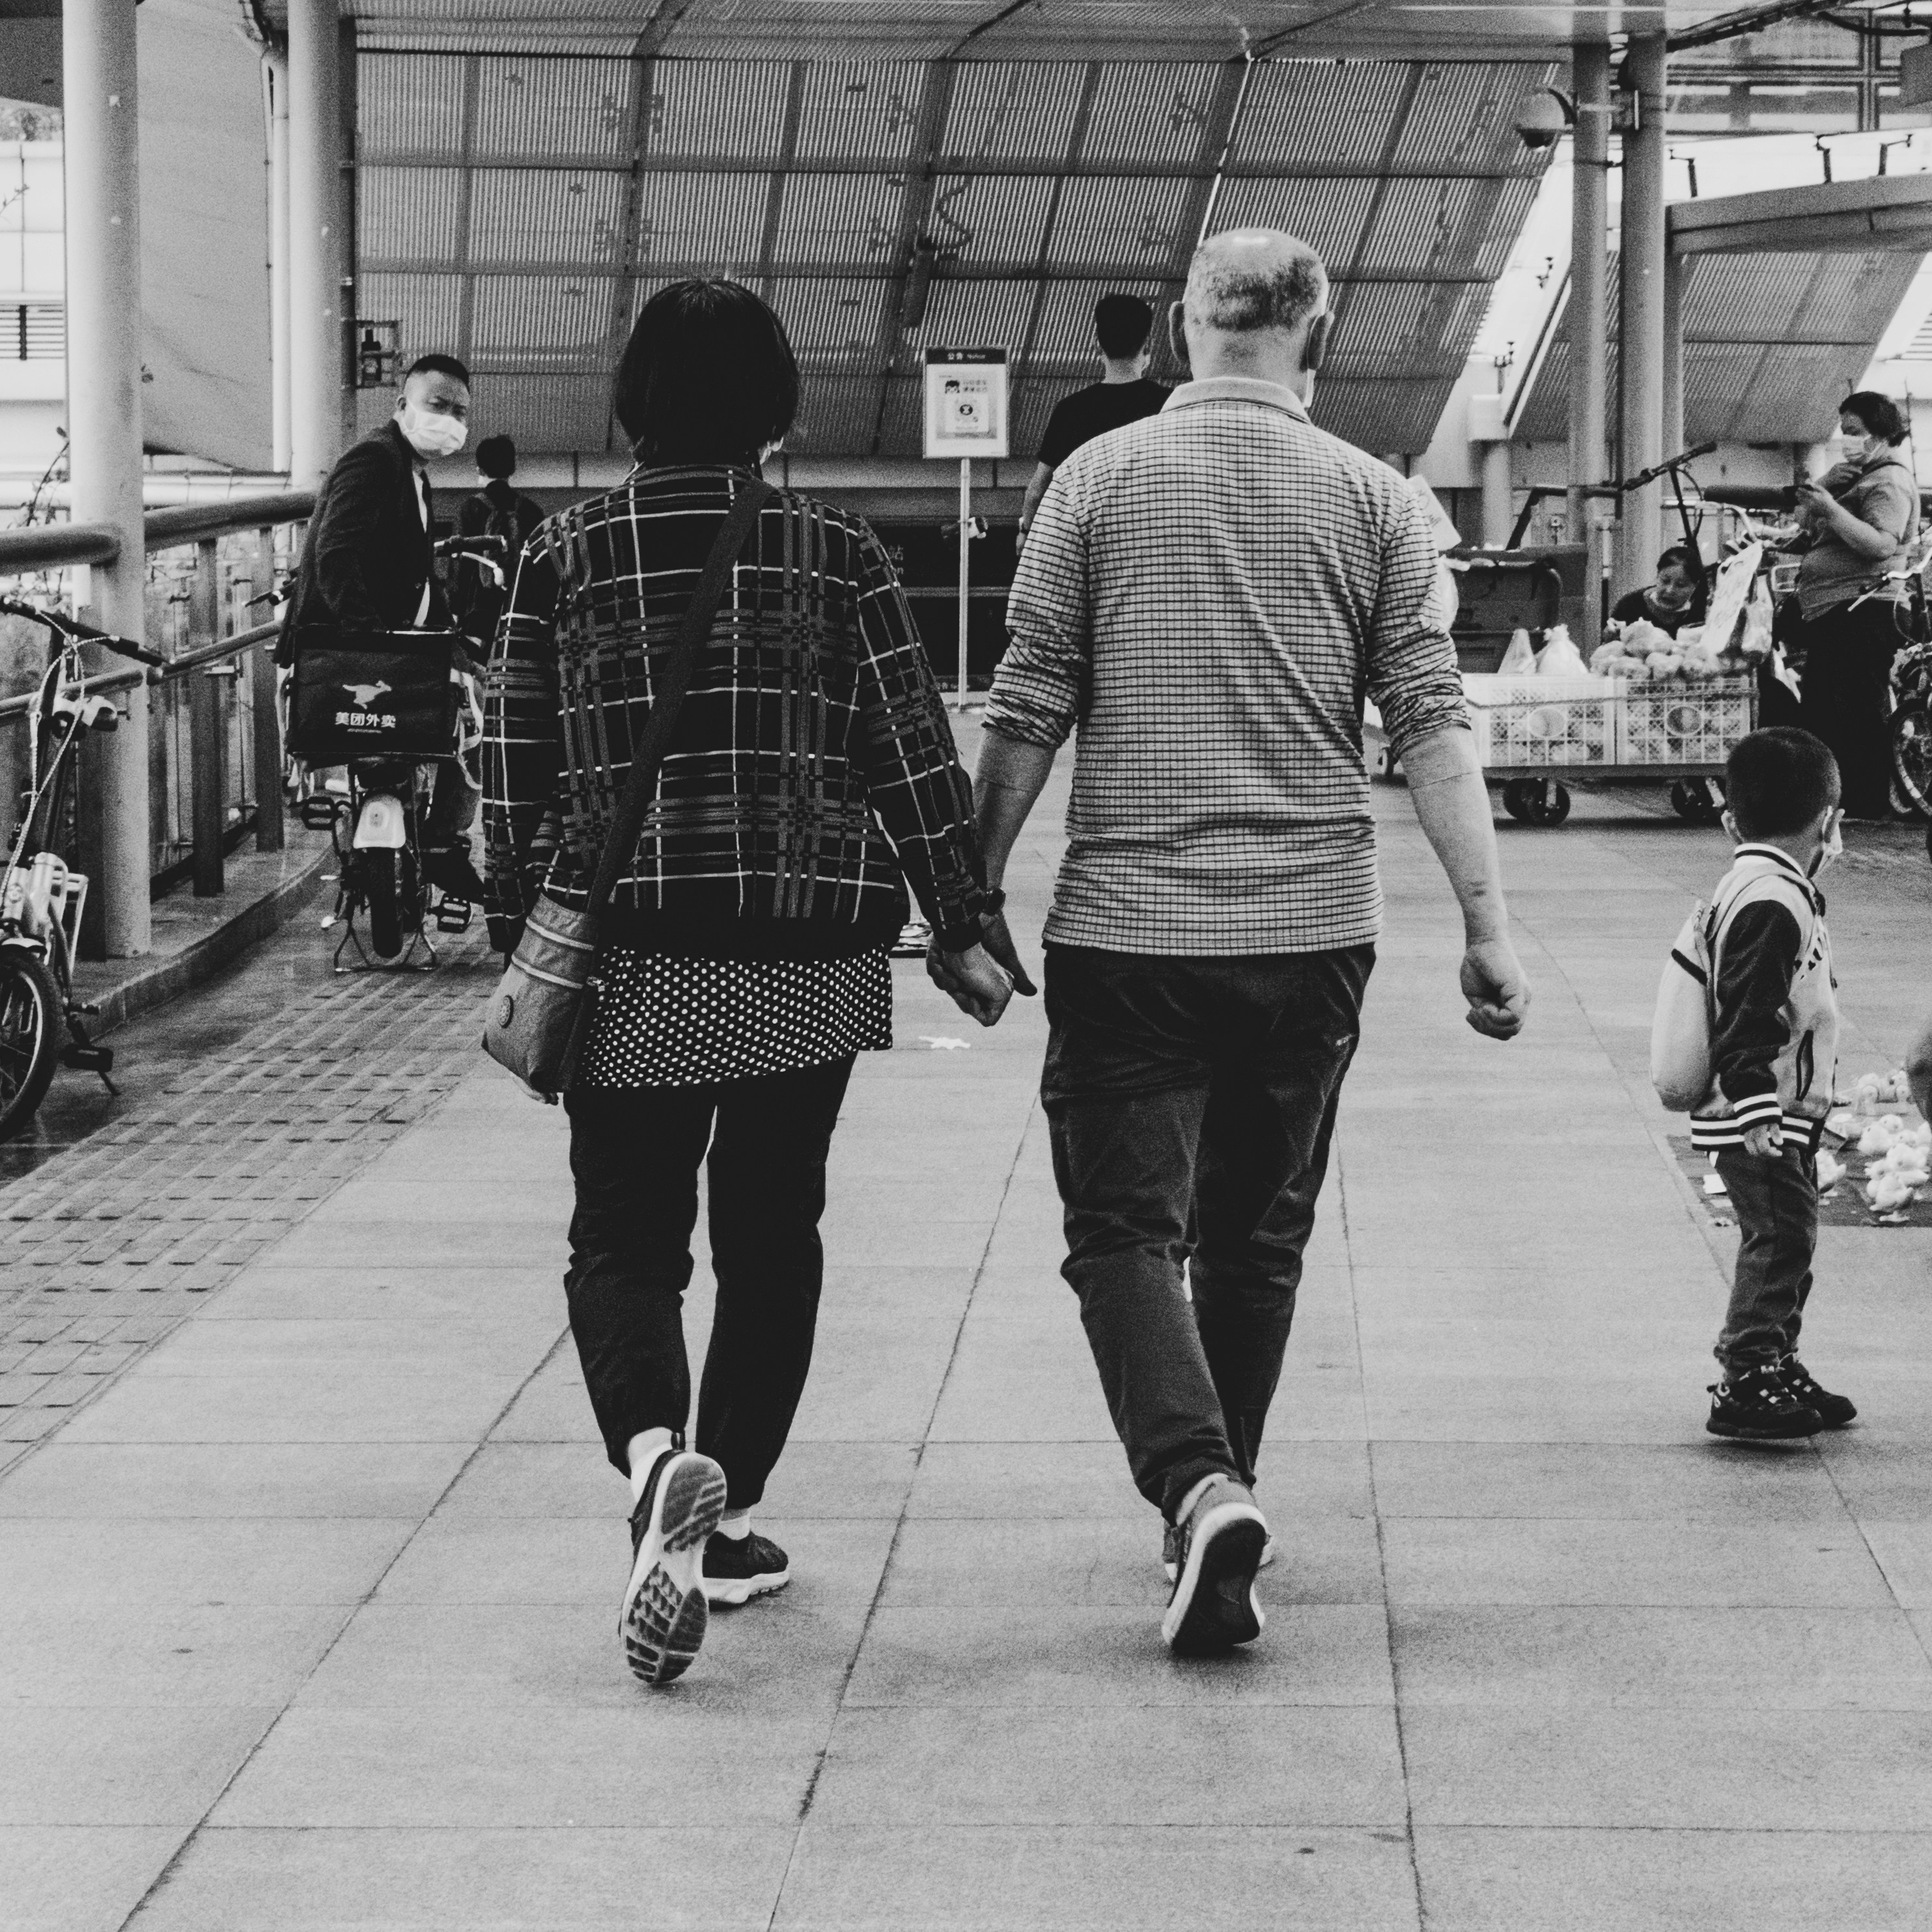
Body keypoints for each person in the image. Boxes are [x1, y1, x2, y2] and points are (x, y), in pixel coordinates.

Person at [935, 228, 1530, 1658]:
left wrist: (969, 893)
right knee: (1256, 1242)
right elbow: (1432, 720)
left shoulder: (1096, 477)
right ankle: (1213, 1510)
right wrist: (1484, 922)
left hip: (1129, 932)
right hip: (1313, 932)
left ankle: (1200, 1491)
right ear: (1312, 342)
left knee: (1120, 1233)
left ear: (1191, 333)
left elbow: (1026, 702)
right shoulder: (1379, 501)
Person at [482, 278, 1011, 1688]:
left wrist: (509, 912)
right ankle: (725, 1514)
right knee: (773, 1237)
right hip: (804, 951)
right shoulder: (836, 550)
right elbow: (908, 747)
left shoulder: (566, 551)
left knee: (626, 1235)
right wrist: (960, 913)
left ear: (634, 400)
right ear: (776, 402)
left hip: (636, 948)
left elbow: (511, 753)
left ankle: (654, 1458)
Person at [1690, 727, 1854, 1442]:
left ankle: (1777, 1359)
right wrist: (1758, 1103)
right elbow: (1746, 1011)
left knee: (1792, 1237)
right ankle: (1748, 1372)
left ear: (1732, 819)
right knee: (1779, 1239)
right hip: (1760, 1114)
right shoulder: (1772, 902)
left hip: (1772, 1108)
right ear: (1828, 820)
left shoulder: (1768, 887)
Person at [278, 351, 485, 901]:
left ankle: (436, 838)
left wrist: (455, 641)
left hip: (388, 639)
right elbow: (335, 553)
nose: (450, 422)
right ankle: (444, 840)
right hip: (358, 644)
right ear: (402, 404)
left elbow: (416, 578)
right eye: (438, 405)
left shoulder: (411, 472)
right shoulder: (375, 459)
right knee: (481, 720)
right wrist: (371, 642)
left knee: (472, 684)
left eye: (460, 413)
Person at [1791, 391, 1920, 820]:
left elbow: (1881, 544)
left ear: (1880, 434)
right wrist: (1825, 487)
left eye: (1854, 432)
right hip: (1834, 608)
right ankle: (1837, 797)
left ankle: (1865, 799)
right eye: (1842, 432)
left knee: (1855, 705)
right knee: (1824, 706)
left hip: (1864, 606)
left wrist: (1831, 509)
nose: (1846, 440)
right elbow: (1803, 522)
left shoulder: (1888, 481)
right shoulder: (1852, 475)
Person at [1015, 294, 1169, 549]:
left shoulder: (1071, 411)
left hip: (1090, 545)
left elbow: (1037, 489)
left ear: (1097, 342)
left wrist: (1026, 531)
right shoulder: (1169, 406)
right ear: (1148, 344)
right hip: (1153, 542)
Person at [455, 435, 546, 643]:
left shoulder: (471, 509)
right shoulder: (531, 511)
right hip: (520, 609)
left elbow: (460, 564)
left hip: (478, 611)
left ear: (479, 470)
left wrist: (455, 608)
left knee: (476, 668)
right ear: (512, 470)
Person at [1611, 544, 1706, 638]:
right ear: (1657, 575)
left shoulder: (1702, 612)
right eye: (1665, 581)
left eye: (1680, 585)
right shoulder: (1630, 605)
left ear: (1695, 586)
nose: (1670, 591)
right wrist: (1611, 634)